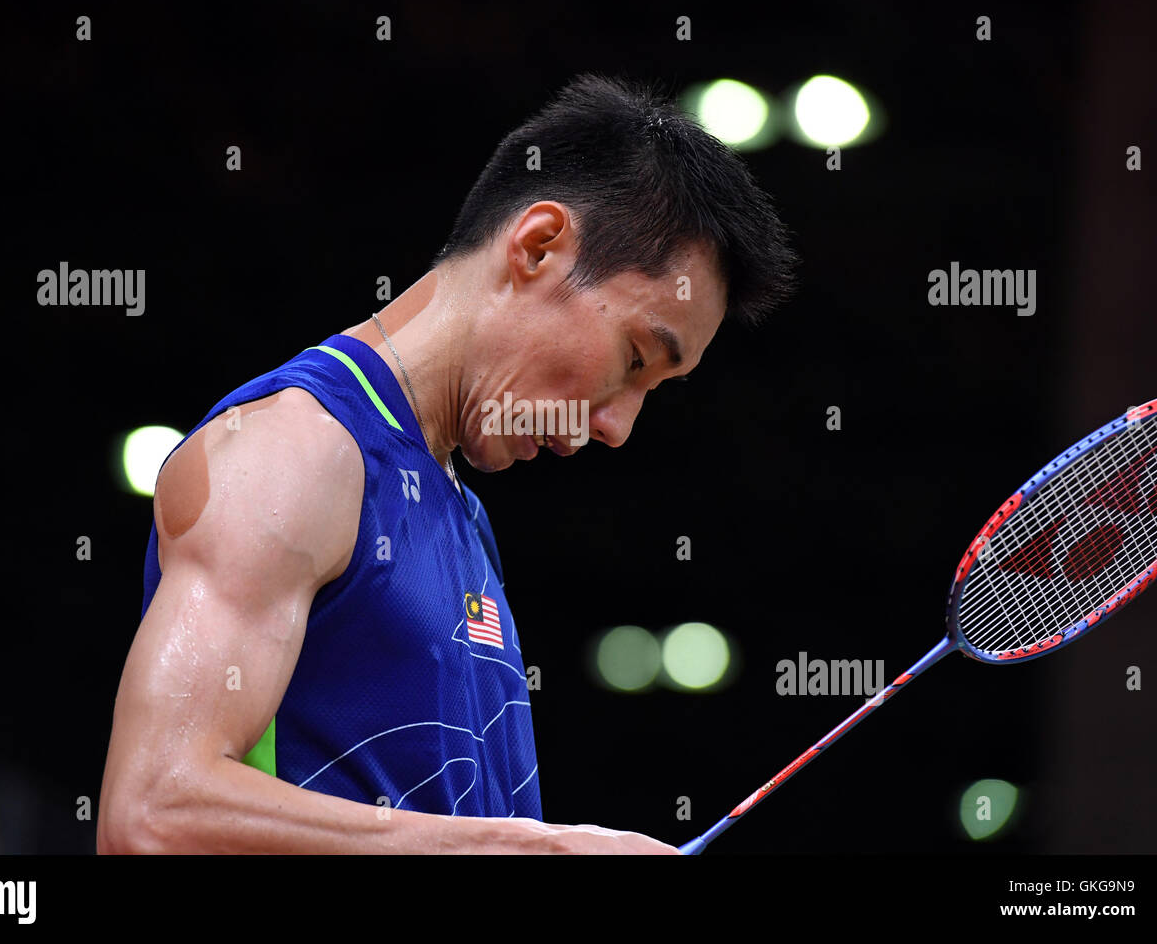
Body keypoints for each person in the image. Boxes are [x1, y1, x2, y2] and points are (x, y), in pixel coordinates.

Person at [97, 73, 796, 853]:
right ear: (538, 246)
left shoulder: (459, 516)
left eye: (656, 390)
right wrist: (536, 849)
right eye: (635, 358)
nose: (619, 427)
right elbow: (152, 813)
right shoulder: (292, 452)